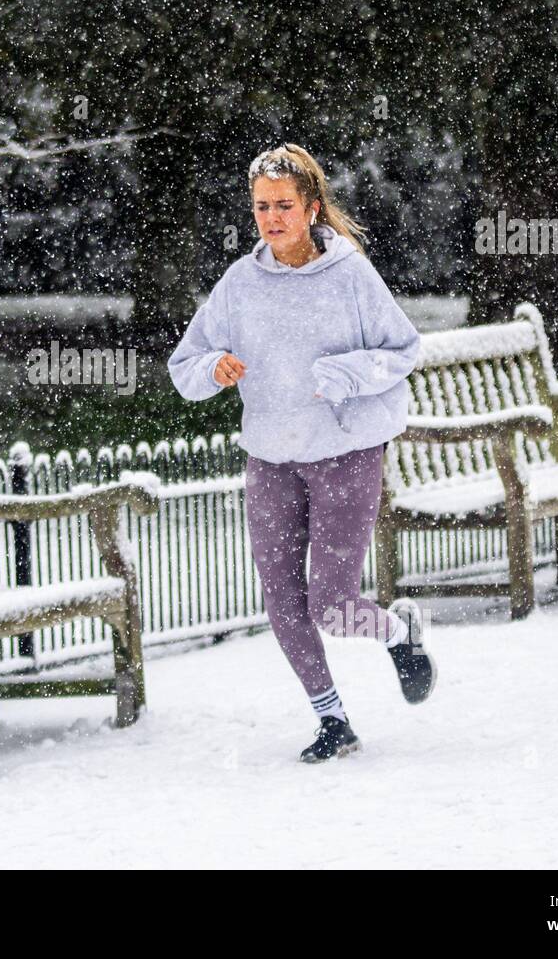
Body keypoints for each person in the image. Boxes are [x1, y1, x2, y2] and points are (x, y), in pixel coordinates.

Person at [167, 143, 437, 763]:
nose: (271, 217)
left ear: (311, 207)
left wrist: (347, 373)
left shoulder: (350, 276)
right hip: (269, 457)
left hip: (344, 453)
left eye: (284, 205)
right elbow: (185, 368)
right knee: (282, 602)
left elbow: (404, 349)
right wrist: (215, 367)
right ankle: (333, 720)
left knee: (335, 607)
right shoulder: (239, 282)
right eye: (262, 206)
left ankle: (398, 631)